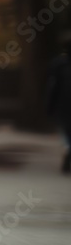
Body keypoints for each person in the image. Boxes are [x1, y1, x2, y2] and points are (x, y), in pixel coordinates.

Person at [46, 36, 71, 174]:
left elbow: (52, 87)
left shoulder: (58, 64)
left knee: (67, 131)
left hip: (63, 106)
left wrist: (49, 107)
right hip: (64, 105)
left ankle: (69, 149)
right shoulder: (58, 65)